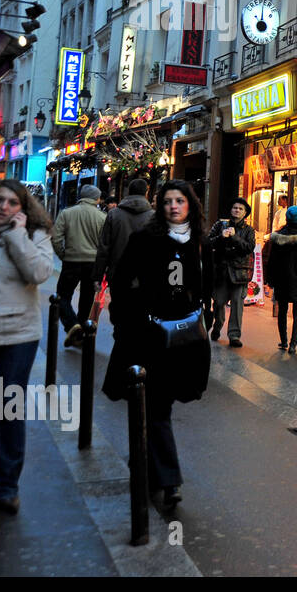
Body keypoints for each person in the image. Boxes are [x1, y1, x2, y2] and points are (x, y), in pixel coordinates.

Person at [103, 179, 212, 512]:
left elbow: (206, 286)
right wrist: (129, 317)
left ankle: (150, 470)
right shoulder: (145, 239)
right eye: (167, 201)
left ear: (190, 205)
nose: (173, 207)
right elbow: (120, 281)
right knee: (156, 407)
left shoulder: (200, 243)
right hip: (149, 336)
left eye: (180, 201)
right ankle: (168, 478)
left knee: (157, 407)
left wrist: (203, 311)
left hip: (185, 340)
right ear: (159, 206)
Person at [0, 180, 55, 513]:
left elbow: (39, 273)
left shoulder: (35, 236)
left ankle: (5, 487)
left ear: (22, 209)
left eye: (12, 202)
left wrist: (16, 237)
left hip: (17, 336)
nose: (4, 207)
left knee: (9, 412)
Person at [51, 184, 106, 347]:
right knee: (87, 299)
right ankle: (81, 330)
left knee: (62, 296)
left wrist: (63, 254)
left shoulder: (67, 213)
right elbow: (105, 244)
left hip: (71, 261)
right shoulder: (102, 217)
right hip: (92, 263)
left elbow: (55, 238)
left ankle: (71, 324)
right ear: (96, 198)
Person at [263, 205, 297, 354]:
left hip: (282, 279)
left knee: (282, 311)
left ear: (287, 218)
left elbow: (272, 261)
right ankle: (294, 345)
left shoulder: (279, 236)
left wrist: (270, 280)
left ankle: (284, 341)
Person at [206, 197, 255, 348]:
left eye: (240, 209)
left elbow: (249, 248)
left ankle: (234, 335)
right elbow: (208, 242)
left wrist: (234, 237)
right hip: (221, 271)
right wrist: (222, 237)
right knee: (219, 302)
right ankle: (217, 326)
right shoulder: (220, 224)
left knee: (237, 303)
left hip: (239, 274)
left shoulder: (249, 230)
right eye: (235, 208)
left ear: (245, 213)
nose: (237, 210)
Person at [94, 178, 153, 289]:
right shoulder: (153, 217)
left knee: (117, 305)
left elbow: (104, 247)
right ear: (146, 192)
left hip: (117, 273)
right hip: (144, 276)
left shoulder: (113, 214)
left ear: (129, 191)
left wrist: (98, 276)